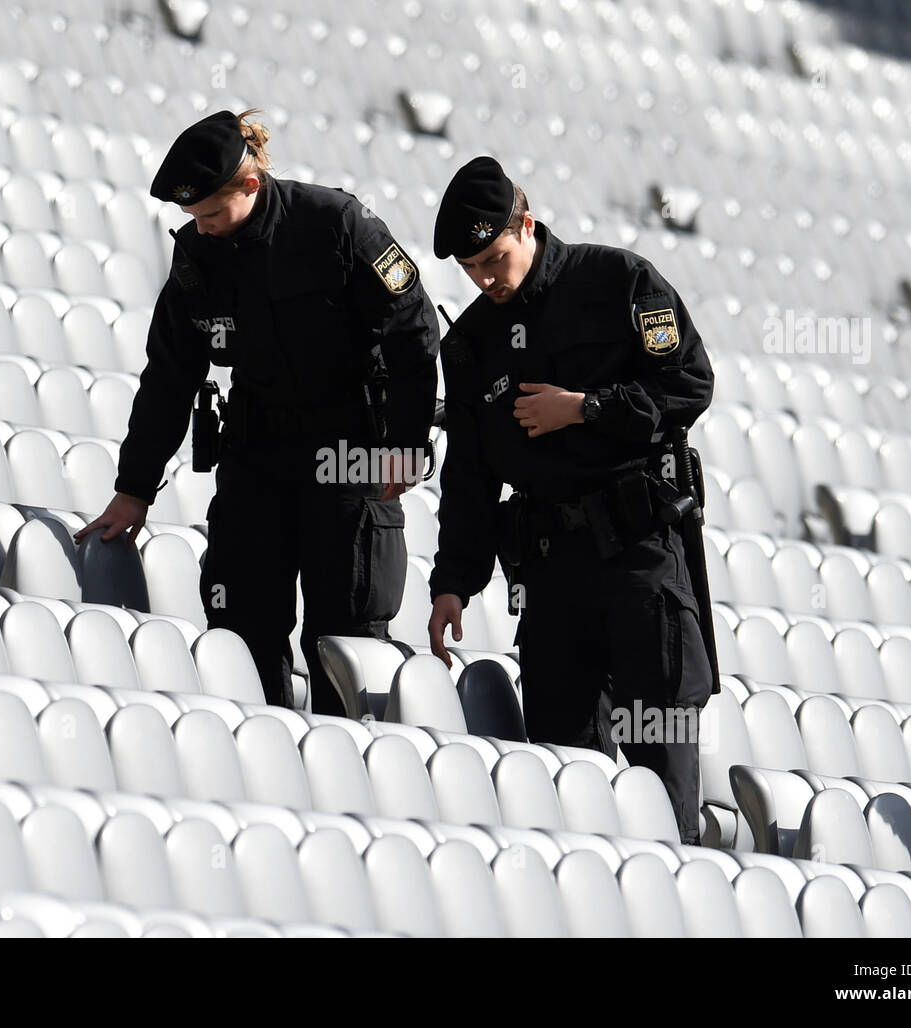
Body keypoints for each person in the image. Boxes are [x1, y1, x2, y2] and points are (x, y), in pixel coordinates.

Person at [77, 110, 439, 715]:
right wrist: (133, 489)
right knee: (239, 631)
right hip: (258, 457)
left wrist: (405, 443)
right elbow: (169, 375)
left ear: (251, 185)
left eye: (213, 213)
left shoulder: (336, 223)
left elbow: (414, 328)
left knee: (345, 639)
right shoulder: (198, 255)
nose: (205, 227)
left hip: (349, 457)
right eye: (194, 217)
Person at [425, 156, 716, 844]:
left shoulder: (617, 280)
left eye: (495, 258)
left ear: (526, 224)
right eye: (471, 269)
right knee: (565, 783)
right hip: (551, 580)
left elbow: (690, 383)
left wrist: (585, 409)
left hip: (642, 561)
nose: (486, 278)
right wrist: (453, 584)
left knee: (663, 784)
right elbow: (469, 476)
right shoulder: (468, 345)